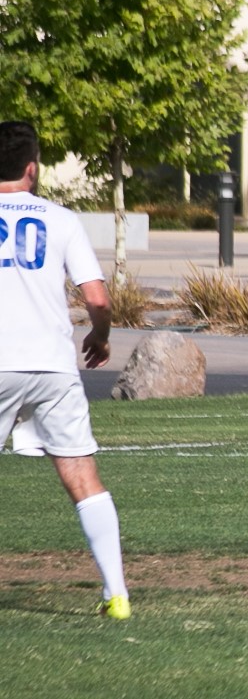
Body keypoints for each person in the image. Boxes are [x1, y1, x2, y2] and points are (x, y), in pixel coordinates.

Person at [0, 121, 131, 619]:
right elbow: (96, 297)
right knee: (82, 477)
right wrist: (100, 335)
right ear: (32, 168)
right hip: (52, 368)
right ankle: (116, 593)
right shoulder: (60, 219)